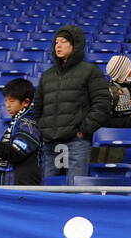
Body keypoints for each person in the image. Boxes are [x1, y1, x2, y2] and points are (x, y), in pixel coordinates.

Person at [32, 25, 112, 182]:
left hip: (76, 142)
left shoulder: (90, 71)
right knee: (50, 191)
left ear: (75, 44)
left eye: (63, 41)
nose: (58, 45)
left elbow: (102, 104)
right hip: (51, 144)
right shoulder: (48, 75)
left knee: (75, 188)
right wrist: (43, 130)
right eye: (56, 42)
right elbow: (38, 107)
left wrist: (82, 130)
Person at [0, 78, 42, 185]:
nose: (7, 105)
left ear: (26, 102)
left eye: (11, 101)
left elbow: (16, 154)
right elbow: (6, 163)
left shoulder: (29, 123)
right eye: (6, 101)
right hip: (8, 186)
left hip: (22, 189)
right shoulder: (17, 122)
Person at [102, 55, 131, 130]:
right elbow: (104, 121)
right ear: (122, 74)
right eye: (130, 70)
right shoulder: (107, 92)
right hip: (114, 132)